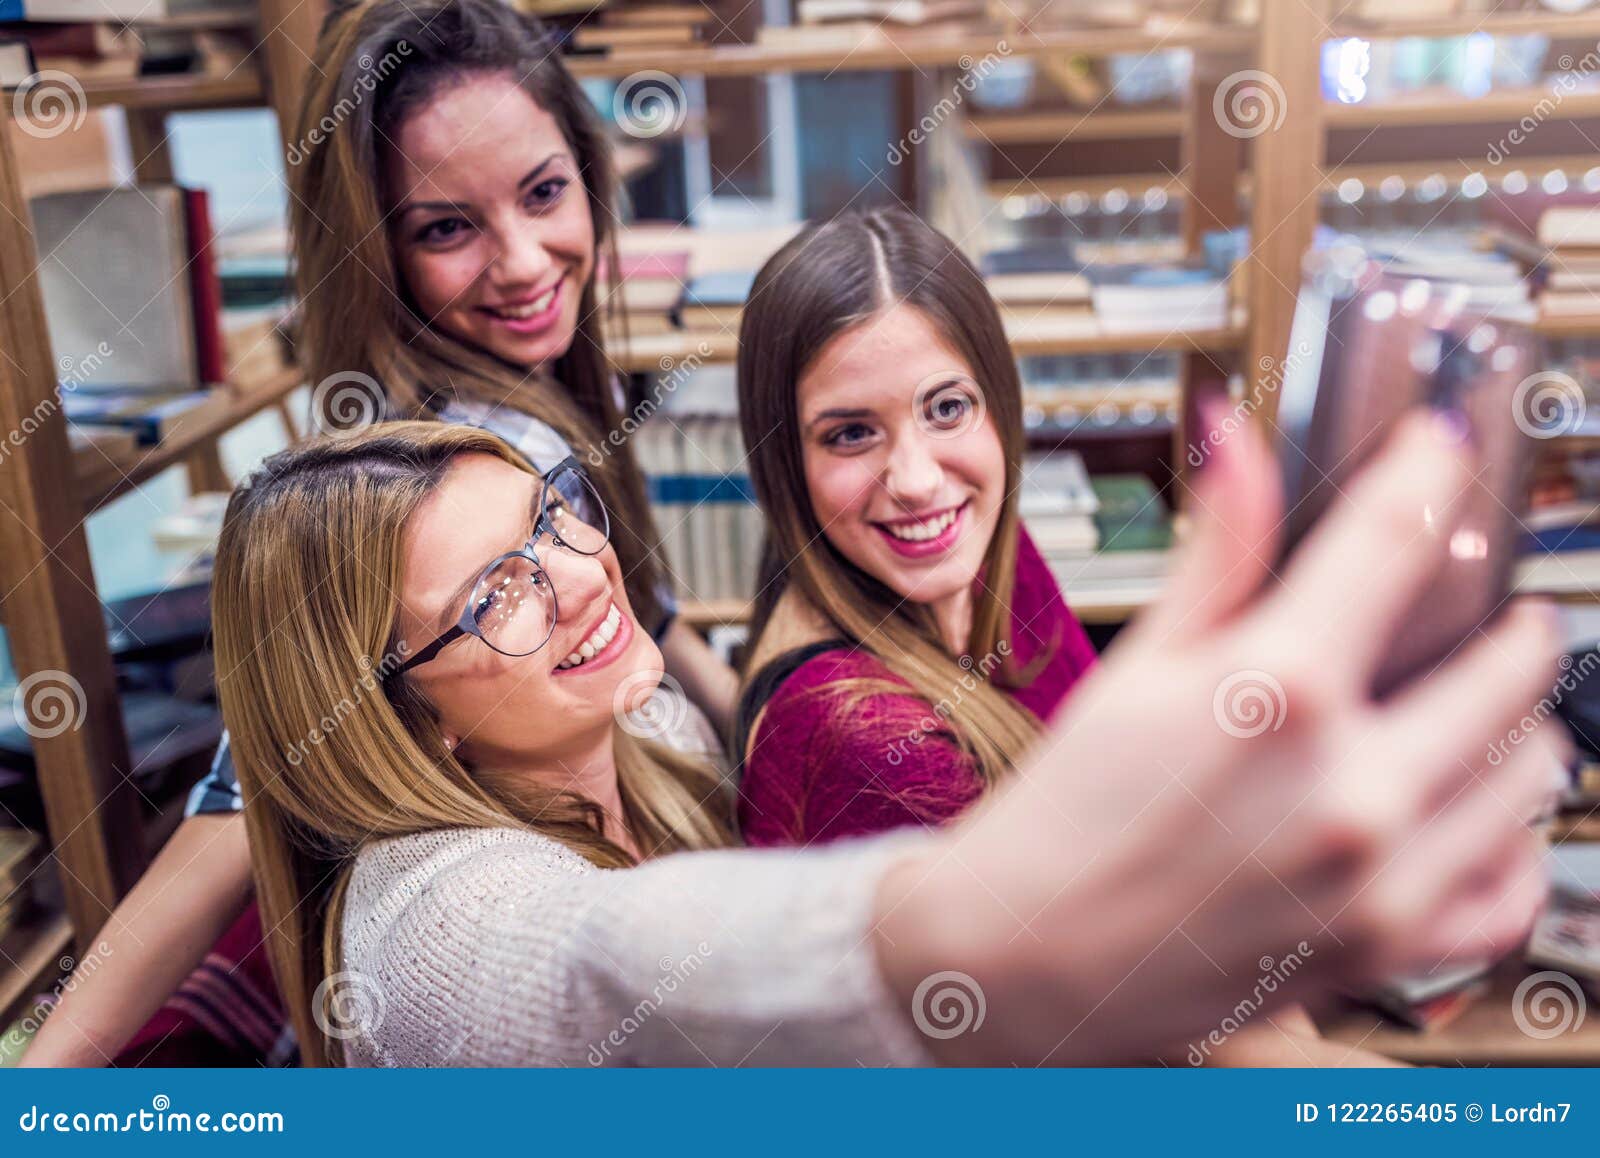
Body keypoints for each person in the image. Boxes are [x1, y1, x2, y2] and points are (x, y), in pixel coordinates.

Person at [218, 417, 1558, 1066]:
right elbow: (602, 976)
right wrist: (974, 926)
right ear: (399, 712)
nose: (578, 572)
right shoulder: (428, 917)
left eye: (554, 513)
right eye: (493, 594)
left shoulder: (651, 719)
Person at [21, 0, 731, 1066]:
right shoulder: (439, 475)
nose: (526, 261)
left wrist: (763, 711)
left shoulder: (533, 404)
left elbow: (651, 608)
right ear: (374, 253)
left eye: (544, 193)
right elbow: (242, 798)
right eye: (446, 227)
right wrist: (46, 1087)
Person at [732, 207, 1395, 1066]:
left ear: (999, 405)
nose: (917, 480)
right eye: (852, 433)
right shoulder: (867, 739)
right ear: (786, 460)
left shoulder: (986, 556)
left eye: (946, 408)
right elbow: (1122, 1029)